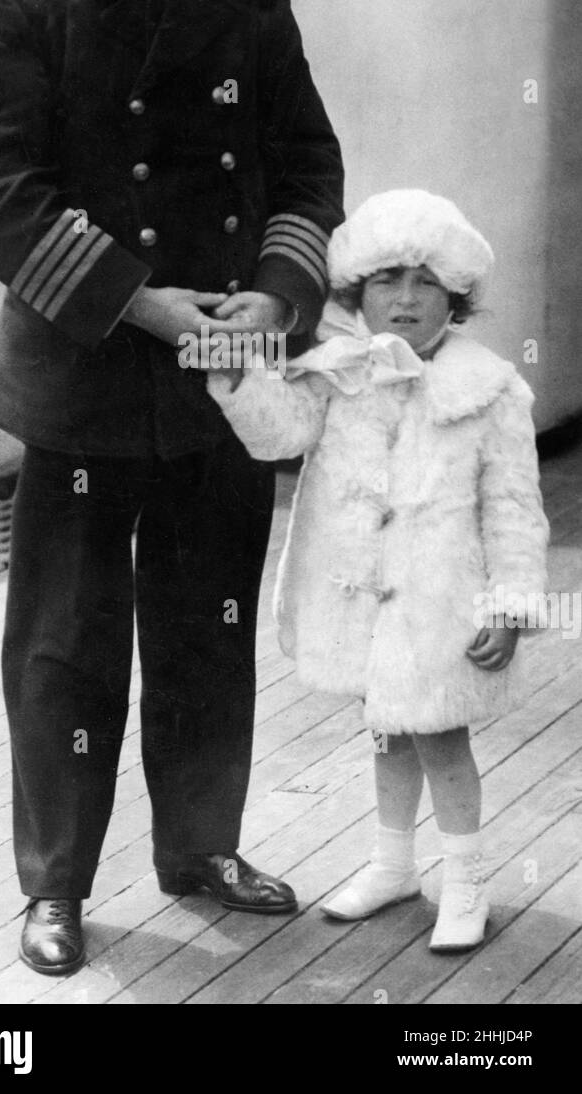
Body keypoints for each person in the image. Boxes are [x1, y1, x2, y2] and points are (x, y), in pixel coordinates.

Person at [0, 0, 344, 975]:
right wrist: (148, 305)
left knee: (205, 619)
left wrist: (276, 296)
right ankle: (55, 886)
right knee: (66, 637)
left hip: (223, 375)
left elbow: (304, 171)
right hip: (83, 372)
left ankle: (201, 850)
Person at [208, 189, 548, 951]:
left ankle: (465, 876)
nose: (404, 299)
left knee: (440, 737)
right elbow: (277, 437)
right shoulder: (336, 373)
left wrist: (511, 601)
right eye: (386, 281)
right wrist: (238, 376)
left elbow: (513, 507)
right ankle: (392, 862)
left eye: (425, 283)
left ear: (454, 299)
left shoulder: (489, 389)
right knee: (385, 733)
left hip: (441, 603)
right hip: (361, 599)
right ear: (356, 295)